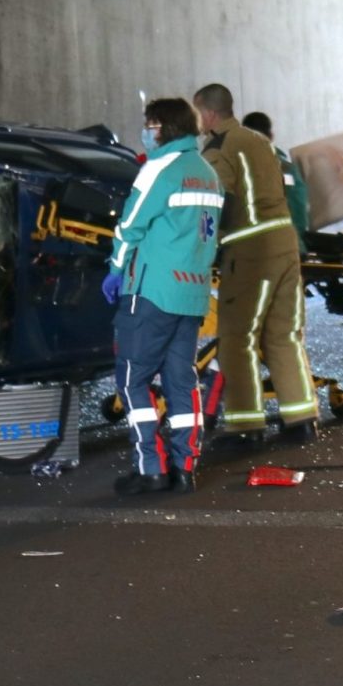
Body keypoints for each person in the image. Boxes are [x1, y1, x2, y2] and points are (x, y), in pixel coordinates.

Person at [106, 99, 222, 494]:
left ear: (165, 127)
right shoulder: (206, 172)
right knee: (181, 381)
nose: (147, 131)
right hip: (191, 293)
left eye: (150, 125)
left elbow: (129, 225)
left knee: (131, 380)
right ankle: (185, 468)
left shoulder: (159, 168)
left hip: (151, 290)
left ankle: (151, 468)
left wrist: (115, 268)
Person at [192, 83, 319, 445]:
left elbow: (220, 202)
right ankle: (301, 418)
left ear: (209, 114)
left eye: (198, 113)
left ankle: (246, 427)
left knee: (237, 339)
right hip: (285, 243)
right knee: (284, 335)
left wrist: (202, 247)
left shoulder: (218, 149)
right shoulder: (261, 142)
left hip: (250, 251)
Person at [242, 111, 310, 252]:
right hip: (291, 247)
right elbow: (300, 210)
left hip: (251, 251)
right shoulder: (288, 168)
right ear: (271, 136)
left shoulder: (237, 168)